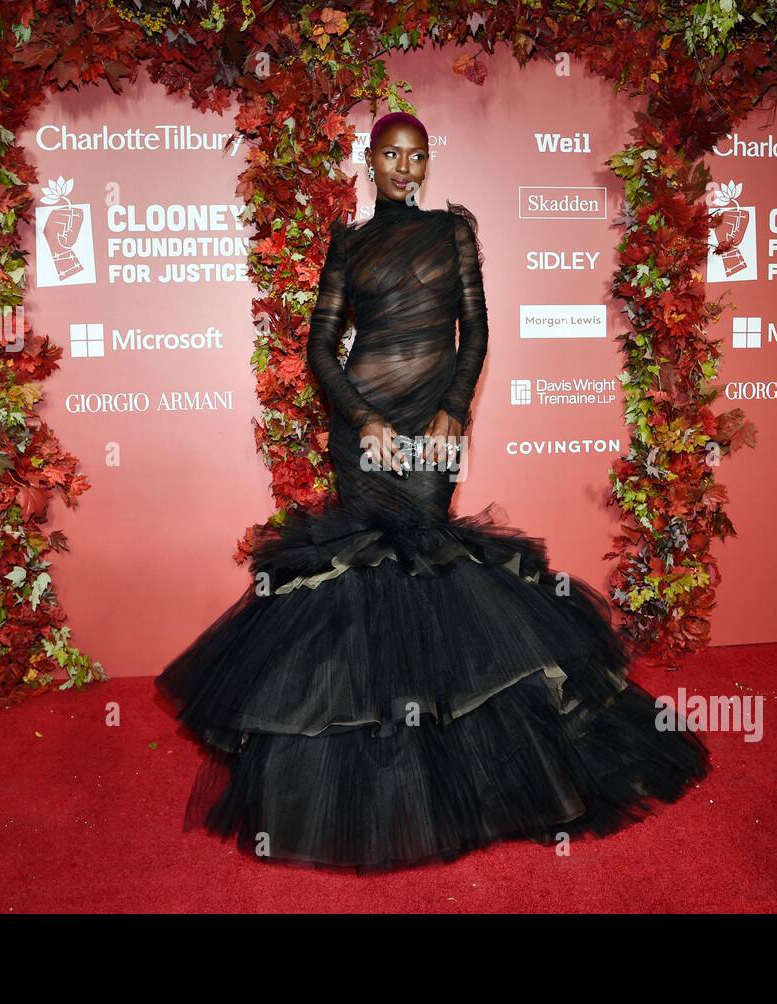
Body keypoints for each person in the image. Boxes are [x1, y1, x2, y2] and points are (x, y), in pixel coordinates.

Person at [155, 111, 710, 873]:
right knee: (365, 582)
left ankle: (458, 775)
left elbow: (474, 334)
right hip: (366, 433)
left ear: (427, 163)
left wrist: (452, 411)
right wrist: (364, 420)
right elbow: (320, 346)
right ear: (370, 163)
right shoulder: (348, 242)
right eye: (391, 155)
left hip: (433, 431)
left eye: (416, 156)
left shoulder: (453, 234)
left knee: (429, 571)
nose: (405, 168)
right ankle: (379, 774)